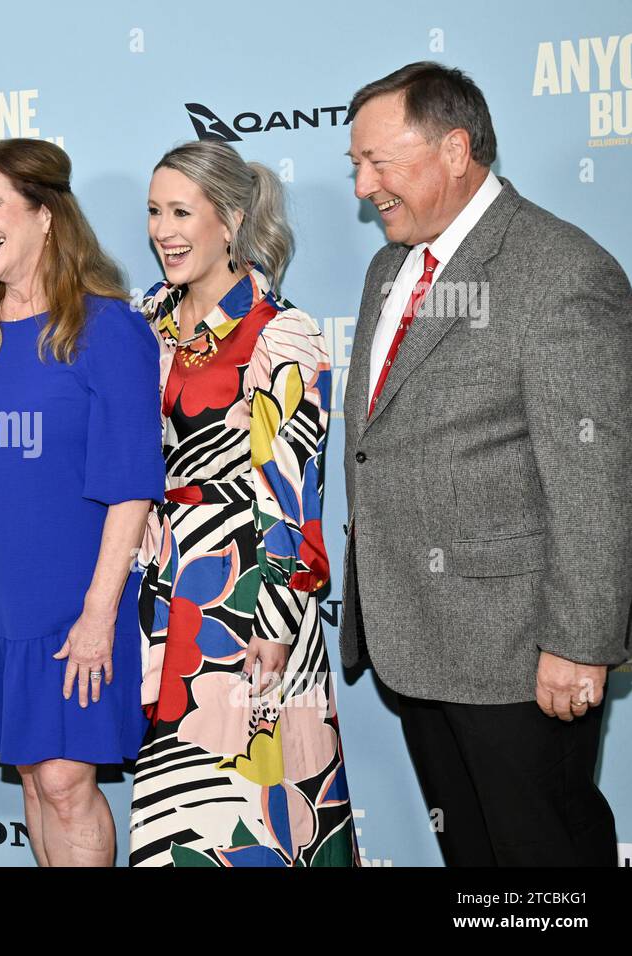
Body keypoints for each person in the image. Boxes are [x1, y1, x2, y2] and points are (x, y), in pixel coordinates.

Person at [343, 61, 632, 866]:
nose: (364, 185)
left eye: (380, 162)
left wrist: (580, 643)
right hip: (414, 639)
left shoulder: (560, 272)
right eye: (356, 165)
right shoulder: (388, 268)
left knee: (546, 863)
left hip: (519, 654)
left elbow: (599, 481)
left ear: (455, 149)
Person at [0, 138, 164, 867]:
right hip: (1, 609)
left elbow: (132, 483)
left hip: (77, 605)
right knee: (33, 781)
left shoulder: (106, 327)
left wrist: (96, 617)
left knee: (63, 784)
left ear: (46, 214)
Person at [129, 141, 357, 867]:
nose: (163, 230)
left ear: (228, 221)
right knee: (177, 823)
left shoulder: (279, 331)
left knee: (253, 819)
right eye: (154, 212)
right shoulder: (147, 319)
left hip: (246, 600)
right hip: (166, 601)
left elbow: (293, 490)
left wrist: (281, 623)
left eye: (181, 213)